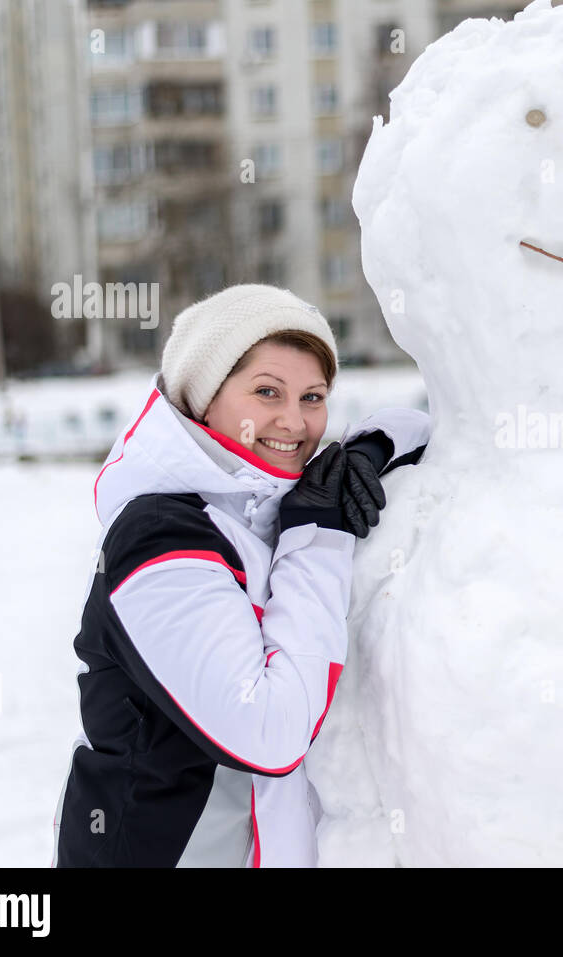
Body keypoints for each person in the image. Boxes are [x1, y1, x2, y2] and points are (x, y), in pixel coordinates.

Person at [51, 284, 430, 866]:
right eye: (266, 392)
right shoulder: (156, 539)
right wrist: (319, 537)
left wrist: (368, 449)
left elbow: (427, 427)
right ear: (204, 400)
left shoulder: (266, 504)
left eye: (313, 396)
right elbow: (268, 734)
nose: (295, 421)